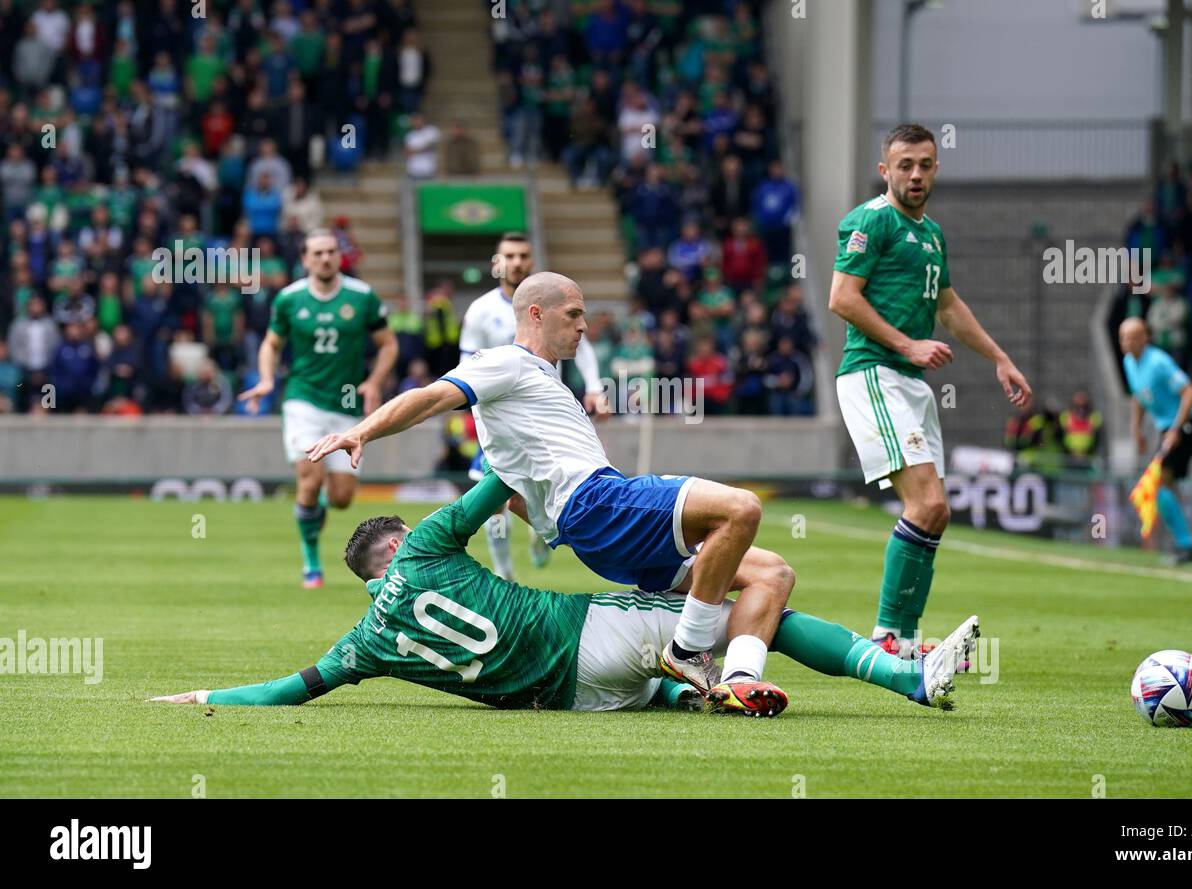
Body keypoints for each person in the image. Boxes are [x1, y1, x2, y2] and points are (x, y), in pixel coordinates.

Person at [308, 272, 795, 707]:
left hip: (596, 524)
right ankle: (687, 651)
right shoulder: (505, 363)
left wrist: (548, 522)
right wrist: (363, 430)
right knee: (741, 508)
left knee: (772, 574)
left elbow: (518, 488)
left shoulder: (540, 387)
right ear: (537, 314)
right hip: (597, 506)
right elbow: (430, 397)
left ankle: (737, 680)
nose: (584, 326)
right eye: (575, 313)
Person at [151, 470, 979, 716]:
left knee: (688, 659)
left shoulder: (361, 644)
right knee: (765, 587)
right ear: (398, 543)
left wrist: (202, 693)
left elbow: (288, 690)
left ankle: (700, 695)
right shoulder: (432, 541)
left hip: (573, 698)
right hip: (585, 632)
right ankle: (905, 675)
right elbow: (503, 474)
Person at [828, 123, 1032, 659]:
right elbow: (843, 298)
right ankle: (888, 636)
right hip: (874, 373)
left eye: (924, 164)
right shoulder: (870, 221)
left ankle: (906, 639)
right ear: (885, 170)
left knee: (936, 511)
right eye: (904, 165)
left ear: (936, 167)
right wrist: (910, 346)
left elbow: (947, 307)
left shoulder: (933, 234)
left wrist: (1000, 358)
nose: (914, 174)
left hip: (909, 384)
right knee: (927, 501)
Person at [238, 230, 399, 588]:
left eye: (331, 252)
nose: (325, 258)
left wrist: (374, 381)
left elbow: (388, 344)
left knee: (341, 498)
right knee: (310, 477)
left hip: (345, 400)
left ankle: (314, 508)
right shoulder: (290, 299)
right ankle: (311, 563)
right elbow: (271, 344)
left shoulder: (361, 297)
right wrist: (266, 380)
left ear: (339, 256)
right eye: (318, 253)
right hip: (303, 397)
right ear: (305, 259)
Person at [457, 233, 608, 580]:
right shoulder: (481, 311)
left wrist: (596, 387)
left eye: (523, 255)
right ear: (498, 263)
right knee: (496, 500)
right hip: (499, 417)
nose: (516, 262)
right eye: (508, 256)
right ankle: (504, 571)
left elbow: (580, 346)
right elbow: (467, 363)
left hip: (544, 414)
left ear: (531, 260)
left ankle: (543, 533)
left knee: (548, 486)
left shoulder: (550, 303)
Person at [1119, 316, 1192, 563]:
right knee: (1164, 486)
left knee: (1158, 484)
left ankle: (1187, 545)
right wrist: (1136, 429)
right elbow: (1138, 396)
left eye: (1134, 337)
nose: (1128, 342)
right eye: (1124, 337)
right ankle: (1185, 544)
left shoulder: (1158, 362)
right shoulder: (1129, 363)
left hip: (1185, 427)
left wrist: (1176, 429)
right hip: (1166, 429)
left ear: (1146, 338)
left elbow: (1190, 393)